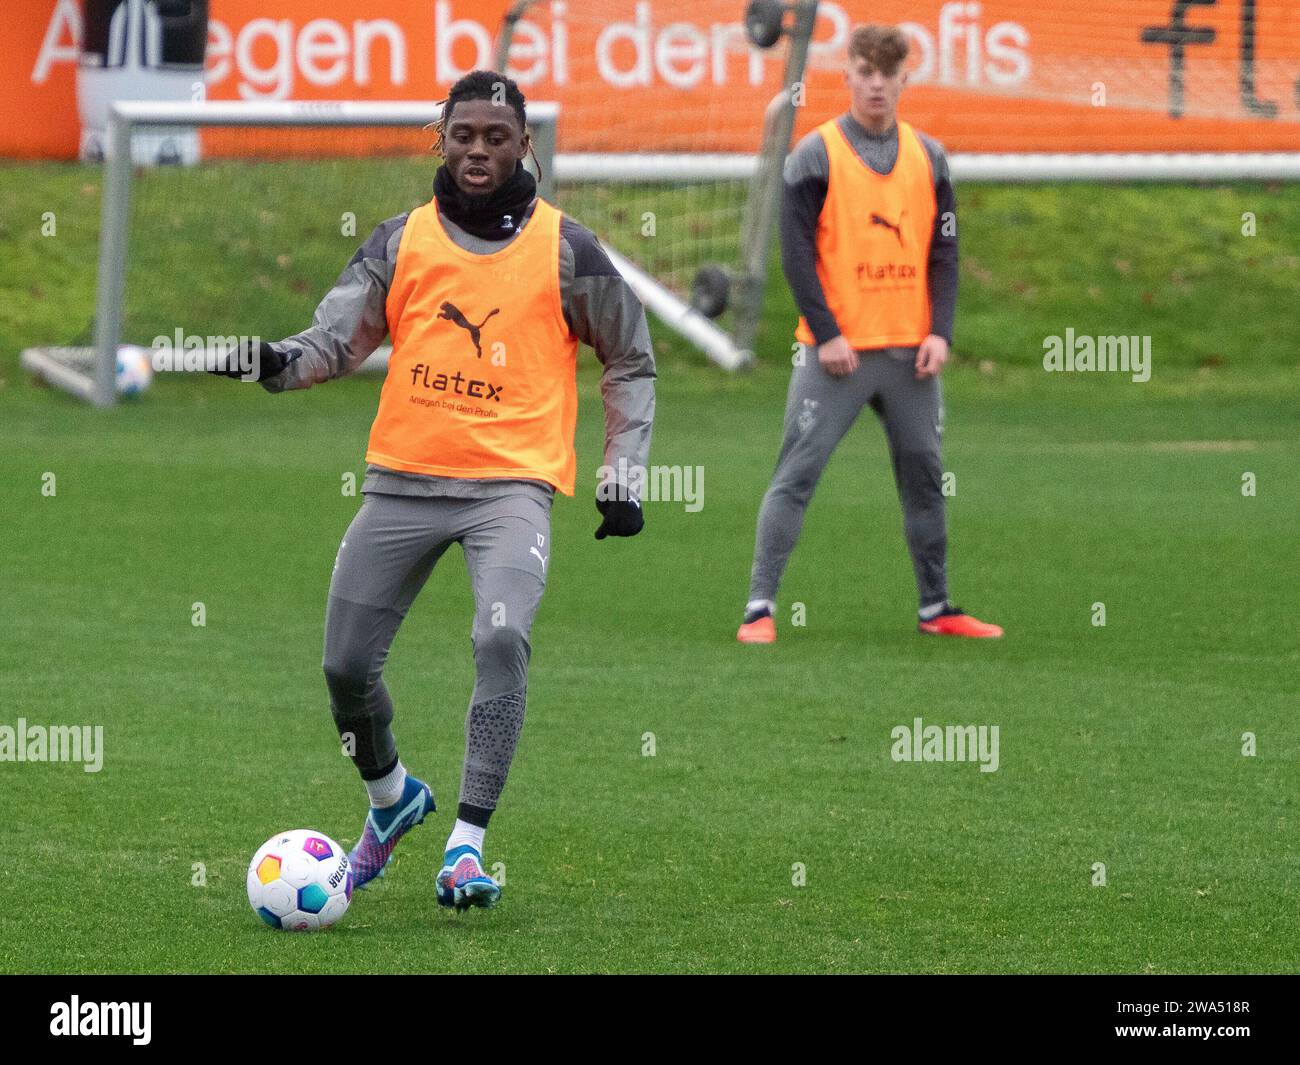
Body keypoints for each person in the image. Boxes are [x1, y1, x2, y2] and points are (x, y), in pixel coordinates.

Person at [214, 71, 656, 909]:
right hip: (403, 483)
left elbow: (631, 357)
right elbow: (333, 341)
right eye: (464, 135)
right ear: (440, 140)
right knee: (345, 666)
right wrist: (272, 361)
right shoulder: (400, 240)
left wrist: (622, 473)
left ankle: (465, 847)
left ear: (525, 144)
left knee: (501, 635)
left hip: (509, 488)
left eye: (496, 136)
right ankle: (391, 798)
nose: (478, 149)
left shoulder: (569, 250)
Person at [737, 23, 1002, 645]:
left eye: (888, 73)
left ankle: (936, 608)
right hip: (837, 356)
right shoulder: (816, 154)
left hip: (911, 355)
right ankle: (759, 609)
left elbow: (944, 253)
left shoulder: (929, 157)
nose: (877, 84)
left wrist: (941, 332)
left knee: (925, 477)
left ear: (905, 78)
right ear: (848, 75)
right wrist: (827, 333)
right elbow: (796, 254)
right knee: (797, 473)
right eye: (865, 72)